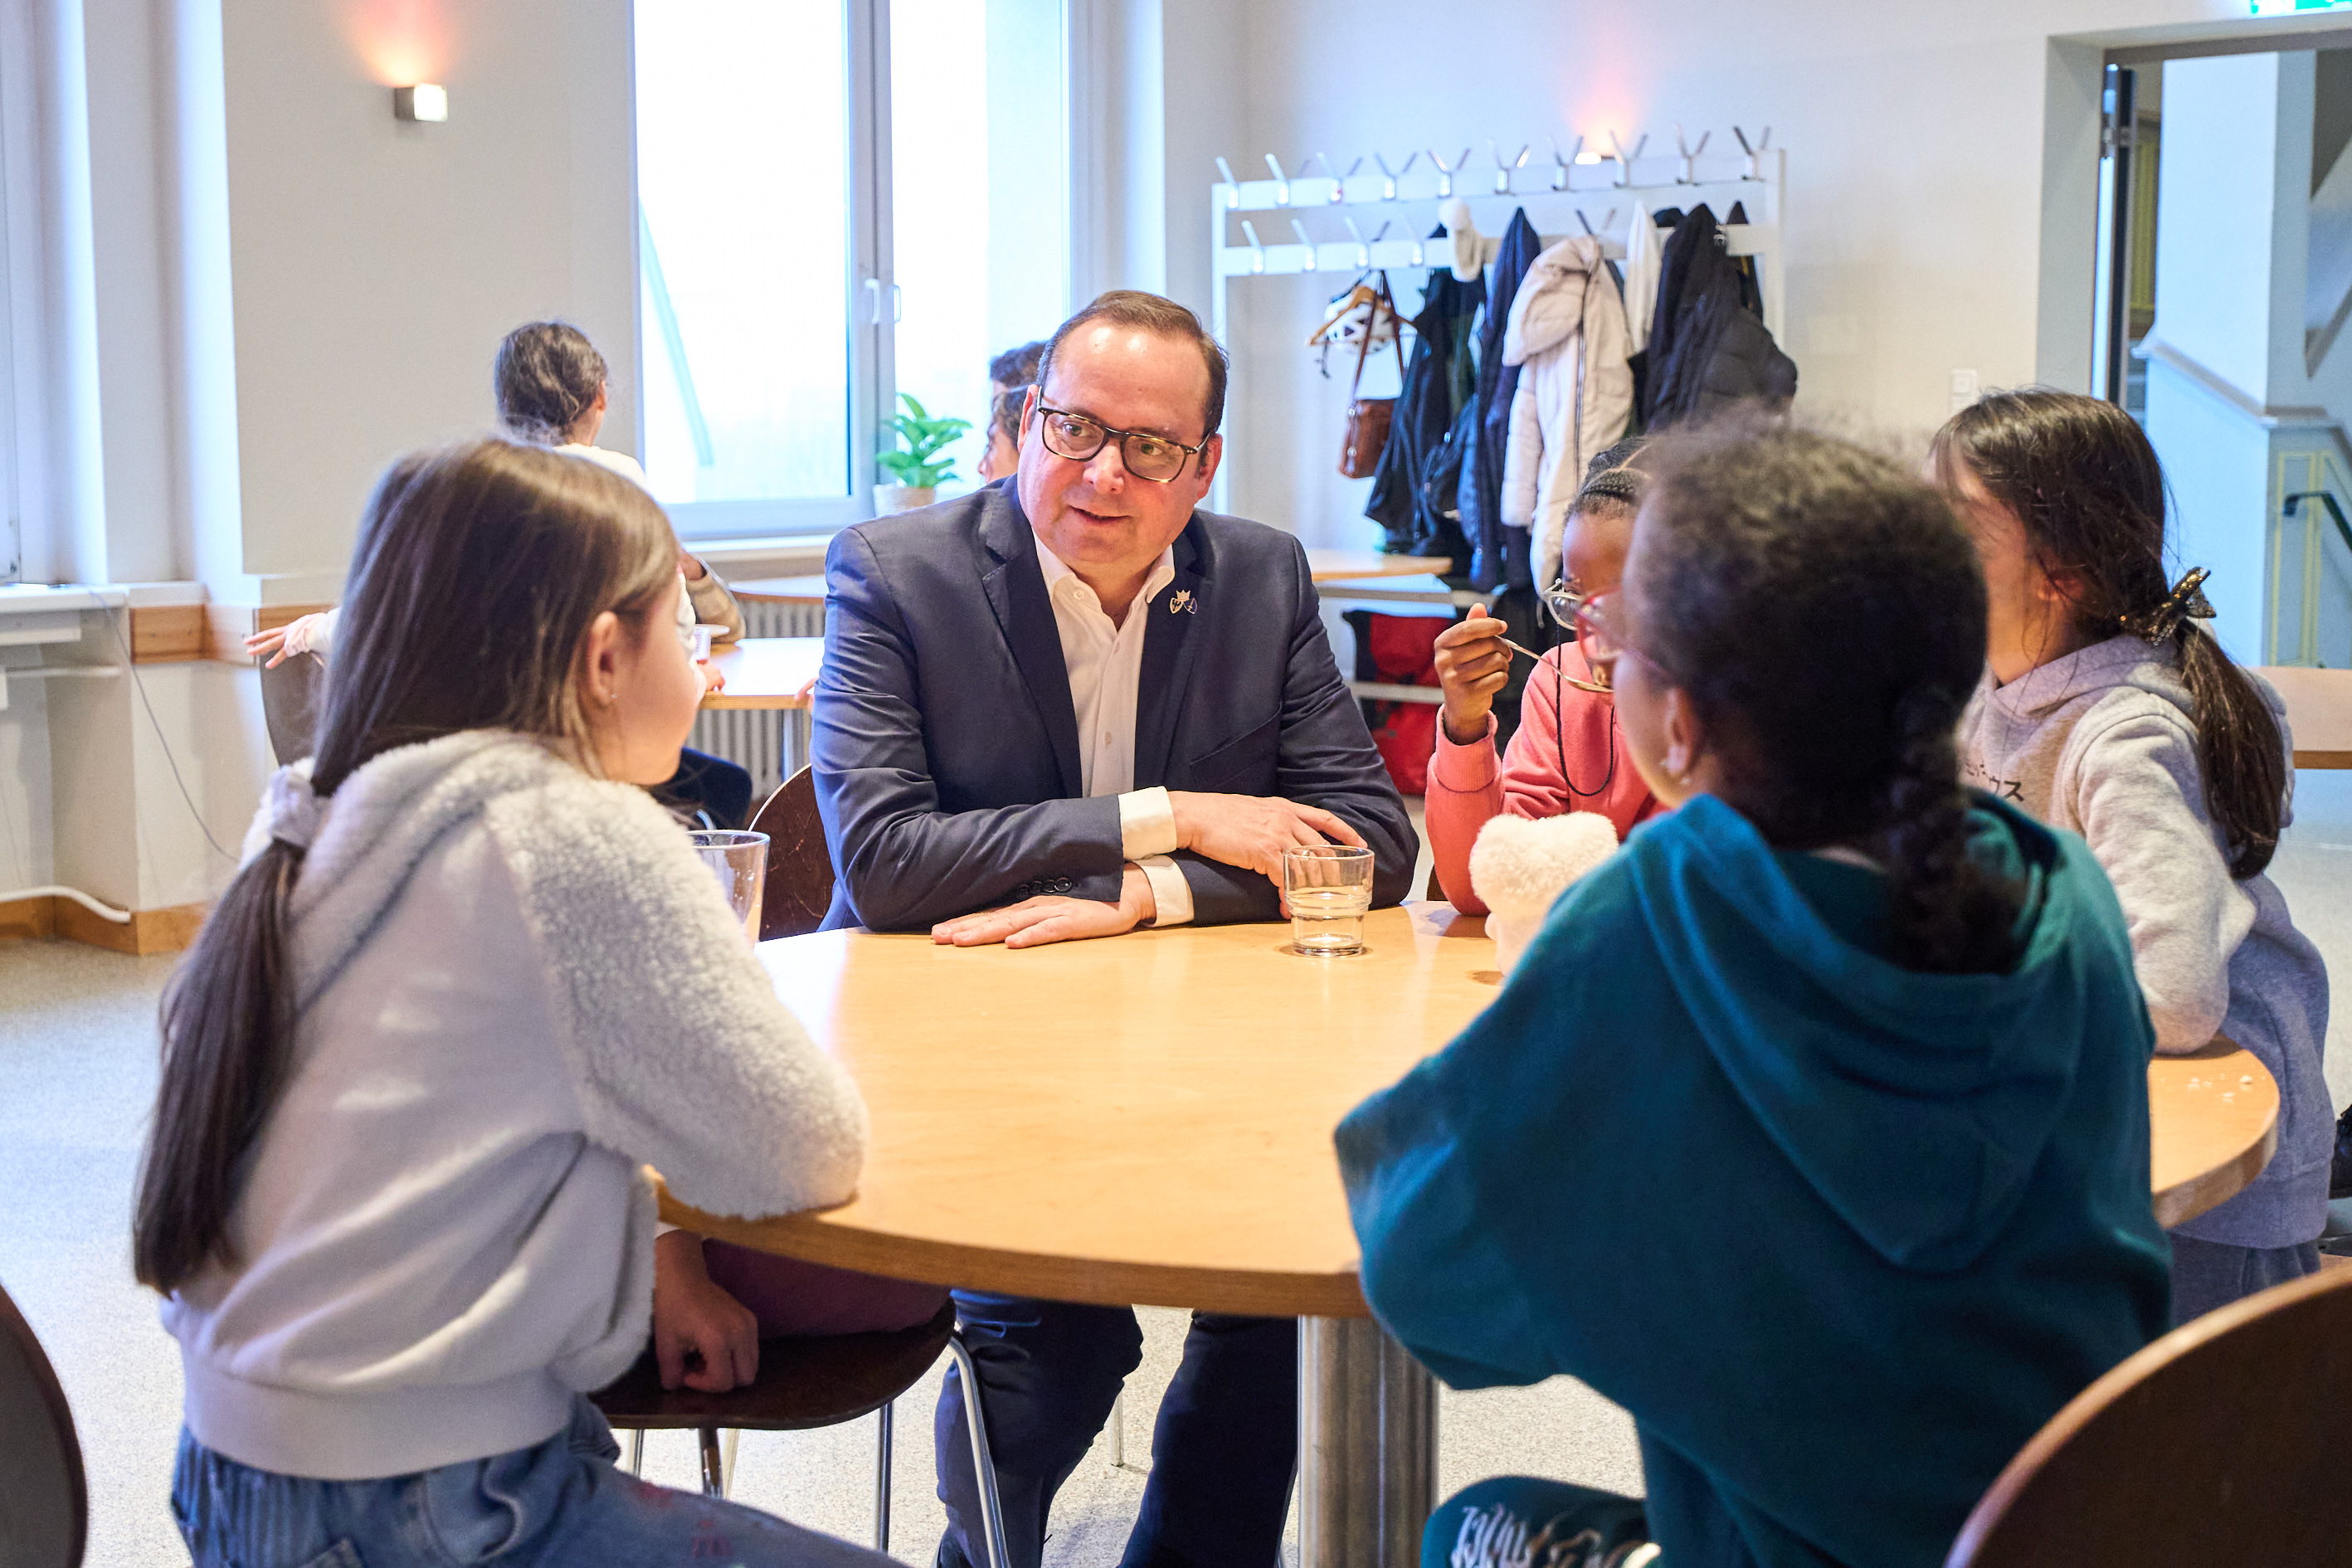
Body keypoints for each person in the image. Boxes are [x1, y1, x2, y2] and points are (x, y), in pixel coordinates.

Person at [1338, 422, 2169, 1567]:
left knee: (1464, 1528)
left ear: (1675, 722)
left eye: (1617, 637)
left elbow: (1428, 1284)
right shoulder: (2062, 895)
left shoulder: (1645, 919)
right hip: (2061, 1535)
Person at [140, 441, 892, 1568]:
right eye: (681, 629)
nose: (696, 665)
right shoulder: (569, 838)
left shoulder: (318, 813)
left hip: (243, 1477)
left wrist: (655, 1249)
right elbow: (805, 1151)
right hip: (430, 1504)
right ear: (603, 657)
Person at [814, 290, 1415, 1566]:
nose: (1100, 471)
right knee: (1049, 1344)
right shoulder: (895, 574)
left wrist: (1153, 889)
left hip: (1207, 1050)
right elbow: (882, 864)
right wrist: (1173, 814)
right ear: (1025, 422)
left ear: (1199, 468)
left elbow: (1369, 843)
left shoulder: (1257, 575)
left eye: (1147, 447)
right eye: (1072, 426)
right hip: (968, 1051)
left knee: (1282, 1299)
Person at [1935, 389, 2333, 1324]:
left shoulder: (2127, 738)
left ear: (2059, 574)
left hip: (2217, 1159)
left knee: (2203, 1447)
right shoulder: (1994, 694)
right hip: (2098, 1106)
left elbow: (2177, 997)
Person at [249, 321, 744, 666]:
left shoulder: (469, 487)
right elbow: (675, 633)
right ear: (600, 396)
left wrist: (313, 629)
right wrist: (689, 673)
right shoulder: (618, 484)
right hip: (591, 743)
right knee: (726, 787)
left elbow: (396, 609)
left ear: (505, 406)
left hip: (485, 753)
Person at [1426, 441, 1662, 911]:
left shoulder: (1747, 708)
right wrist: (1465, 726)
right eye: (1575, 598)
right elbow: (1481, 887)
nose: (1593, 637)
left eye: (1618, 604)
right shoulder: (1563, 679)